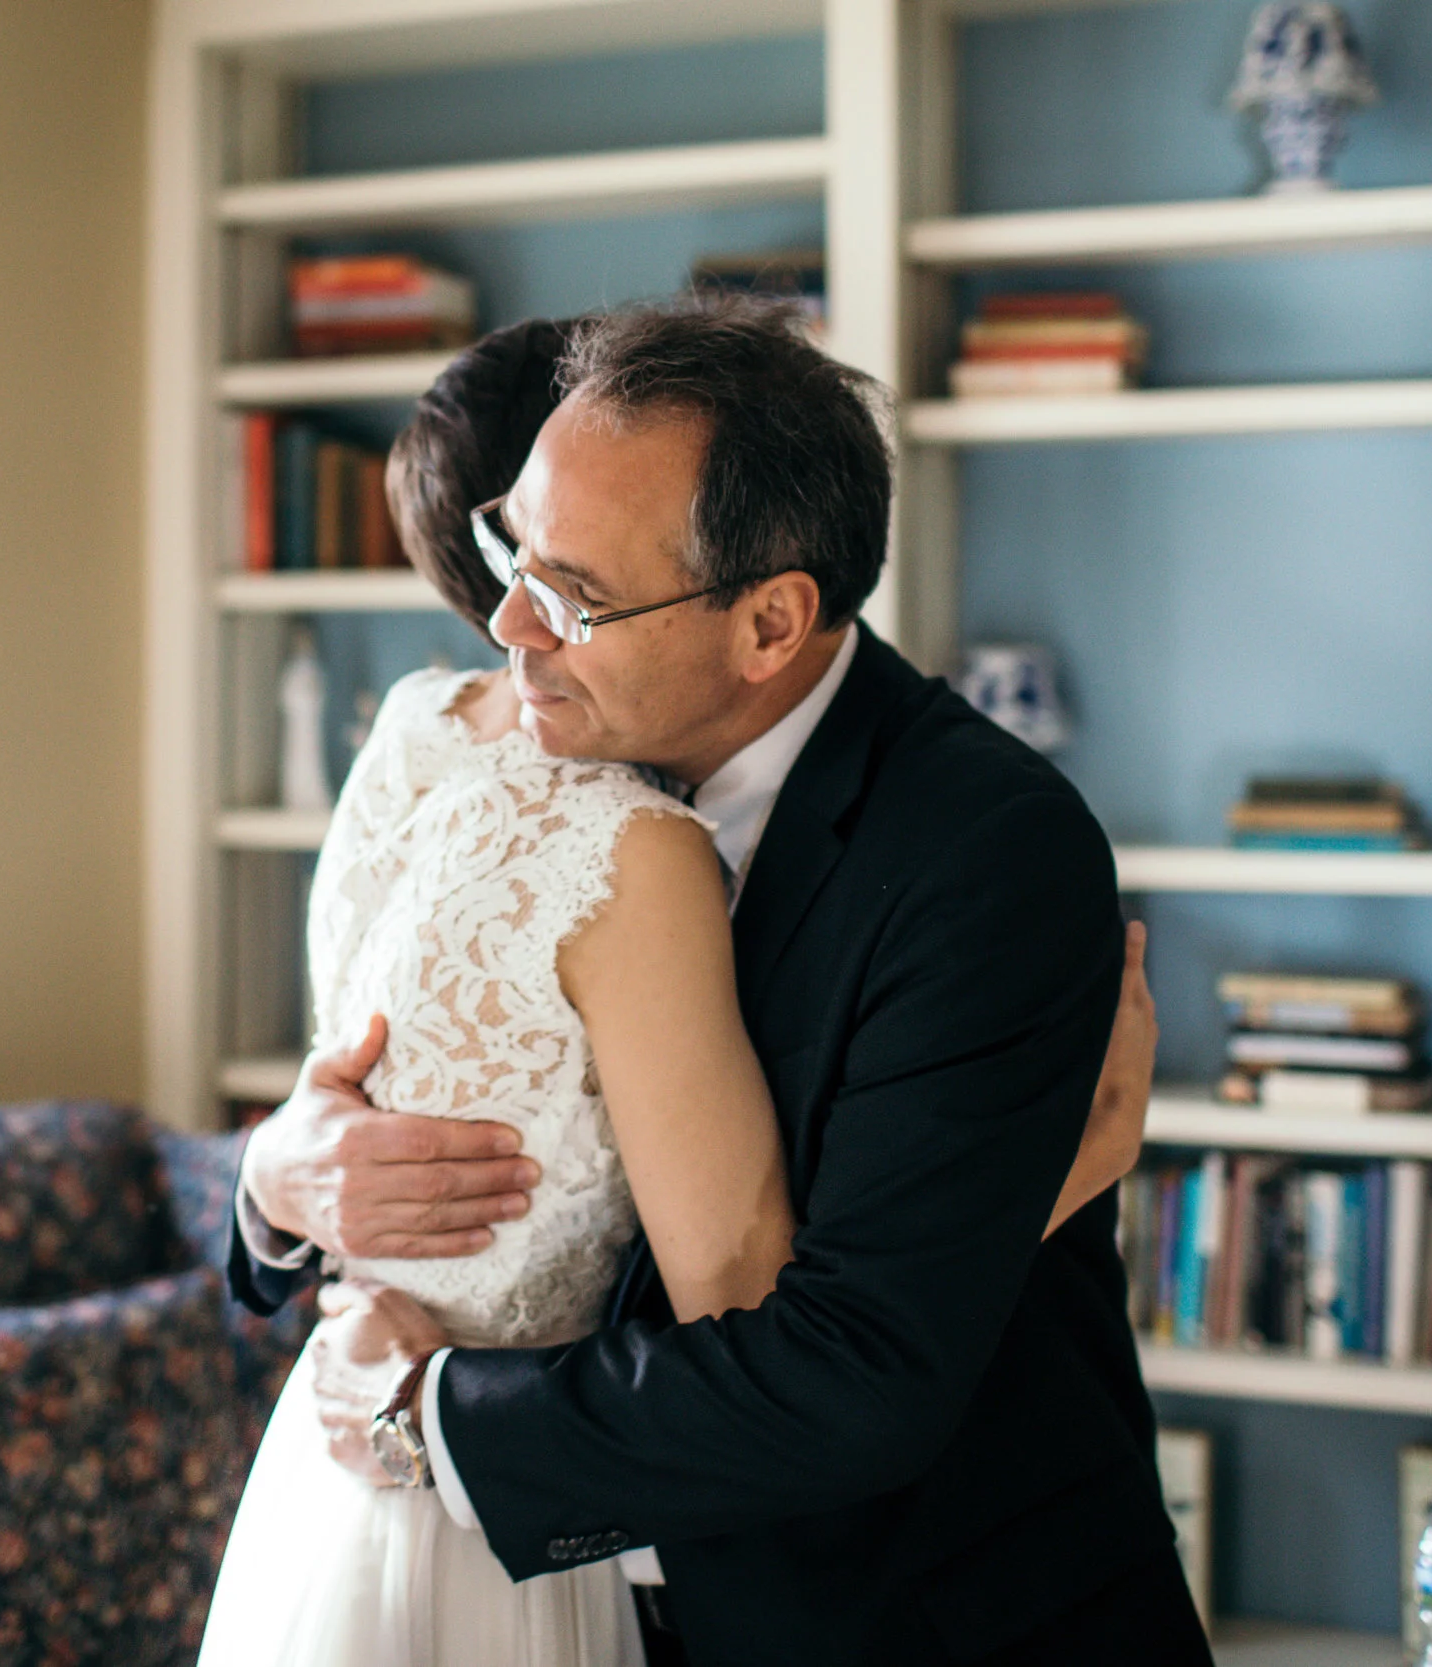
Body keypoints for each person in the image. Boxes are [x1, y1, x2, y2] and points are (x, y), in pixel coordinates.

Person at [207, 300, 1202, 1667]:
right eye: (515, 551)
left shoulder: (985, 857)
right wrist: (276, 1183)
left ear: (772, 622)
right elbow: (388, 1103)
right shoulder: (491, 757)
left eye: (577, 594)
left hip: (912, 1620)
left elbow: (856, 1371)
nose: (509, 626)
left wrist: (427, 1410)